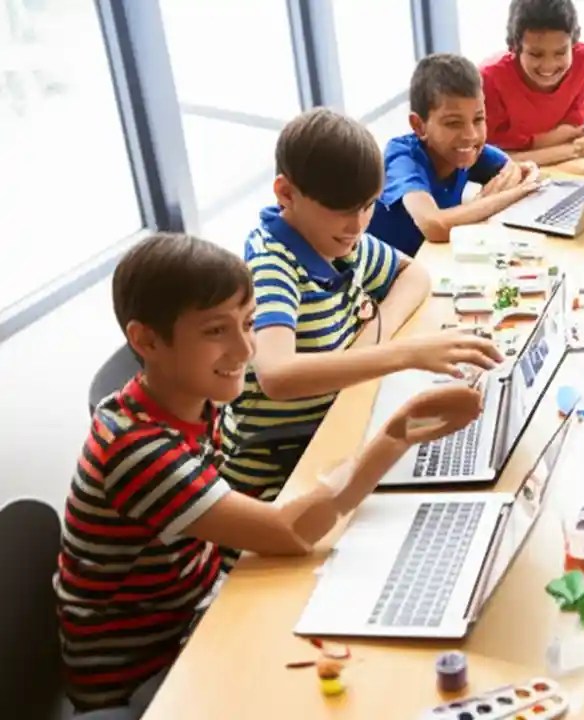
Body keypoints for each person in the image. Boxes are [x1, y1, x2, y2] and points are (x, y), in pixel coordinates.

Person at [54, 234, 483, 718]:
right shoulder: (137, 450)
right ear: (147, 341)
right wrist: (397, 436)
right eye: (216, 331)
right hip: (146, 675)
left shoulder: (188, 400)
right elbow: (289, 532)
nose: (245, 349)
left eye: (249, 322)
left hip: (197, 606)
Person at [222, 107, 503, 502]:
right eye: (341, 210)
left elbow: (414, 275)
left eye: (368, 206)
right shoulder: (271, 265)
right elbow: (278, 375)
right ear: (286, 194)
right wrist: (402, 354)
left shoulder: (337, 240)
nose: (357, 225)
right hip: (279, 474)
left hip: (339, 423)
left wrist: (371, 340)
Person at [367, 53, 541, 255]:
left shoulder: (468, 150)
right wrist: (510, 195)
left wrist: (521, 180)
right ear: (419, 126)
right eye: (453, 123)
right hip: (381, 272)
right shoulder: (403, 158)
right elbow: (434, 225)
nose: (470, 135)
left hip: (433, 259)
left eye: (478, 119)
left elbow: (514, 172)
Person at [480, 0, 584, 166]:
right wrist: (572, 148)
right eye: (535, 54)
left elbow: (572, 129)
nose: (548, 66)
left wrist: (568, 142)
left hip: (558, 166)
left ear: (573, 43)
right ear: (515, 46)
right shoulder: (489, 79)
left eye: (560, 53)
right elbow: (490, 158)